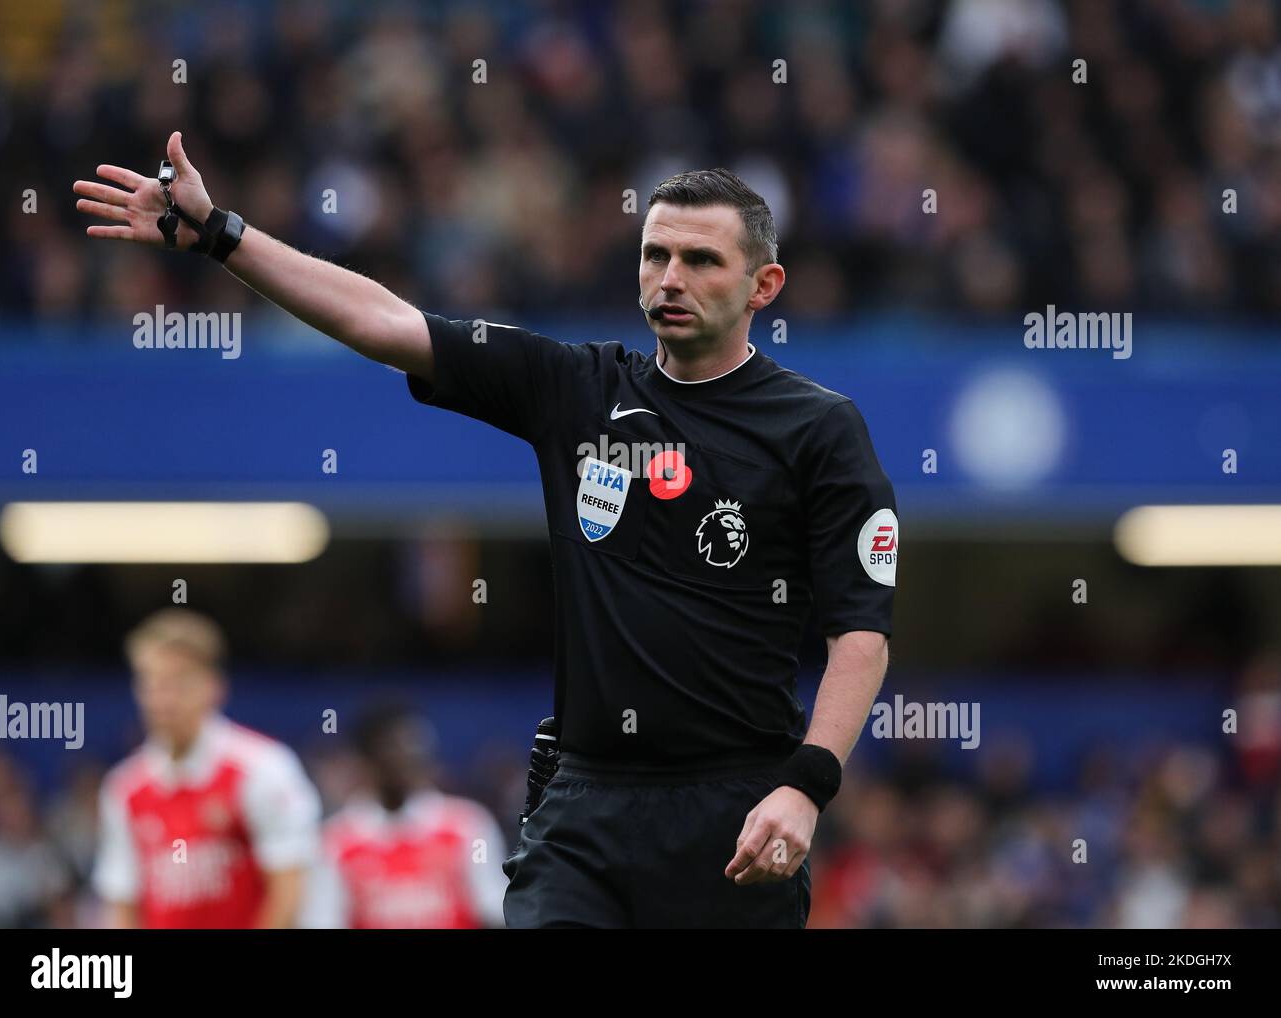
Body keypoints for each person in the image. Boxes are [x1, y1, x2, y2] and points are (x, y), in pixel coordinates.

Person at [74, 138, 896, 928]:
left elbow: (860, 634)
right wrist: (224, 235)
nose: (669, 278)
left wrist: (806, 786)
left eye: (702, 260)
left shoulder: (817, 429)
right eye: (655, 255)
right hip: (584, 809)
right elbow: (384, 322)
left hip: (736, 807)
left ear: (766, 283)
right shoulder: (578, 388)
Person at [92, 608, 321, 928]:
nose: (163, 700)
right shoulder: (124, 788)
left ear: (214, 687)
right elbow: (122, 904)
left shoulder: (262, 769)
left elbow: (289, 891)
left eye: (178, 683)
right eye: (151, 683)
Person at [302, 704, 508, 928]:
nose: (409, 756)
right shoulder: (336, 841)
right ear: (366, 759)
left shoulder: (468, 824)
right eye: (395, 747)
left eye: (417, 745)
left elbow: (493, 909)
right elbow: (323, 921)